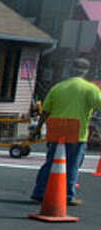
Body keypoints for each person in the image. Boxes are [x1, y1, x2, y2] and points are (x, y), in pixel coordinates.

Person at [30, 57, 101, 206]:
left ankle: (39, 192)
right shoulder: (90, 89)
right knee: (72, 164)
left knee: (51, 162)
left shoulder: (58, 87)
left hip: (56, 129)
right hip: (76, 131)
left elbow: (46, 111)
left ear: (71, 69)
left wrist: (37, 129)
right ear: (86, 71)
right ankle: (68, 195)